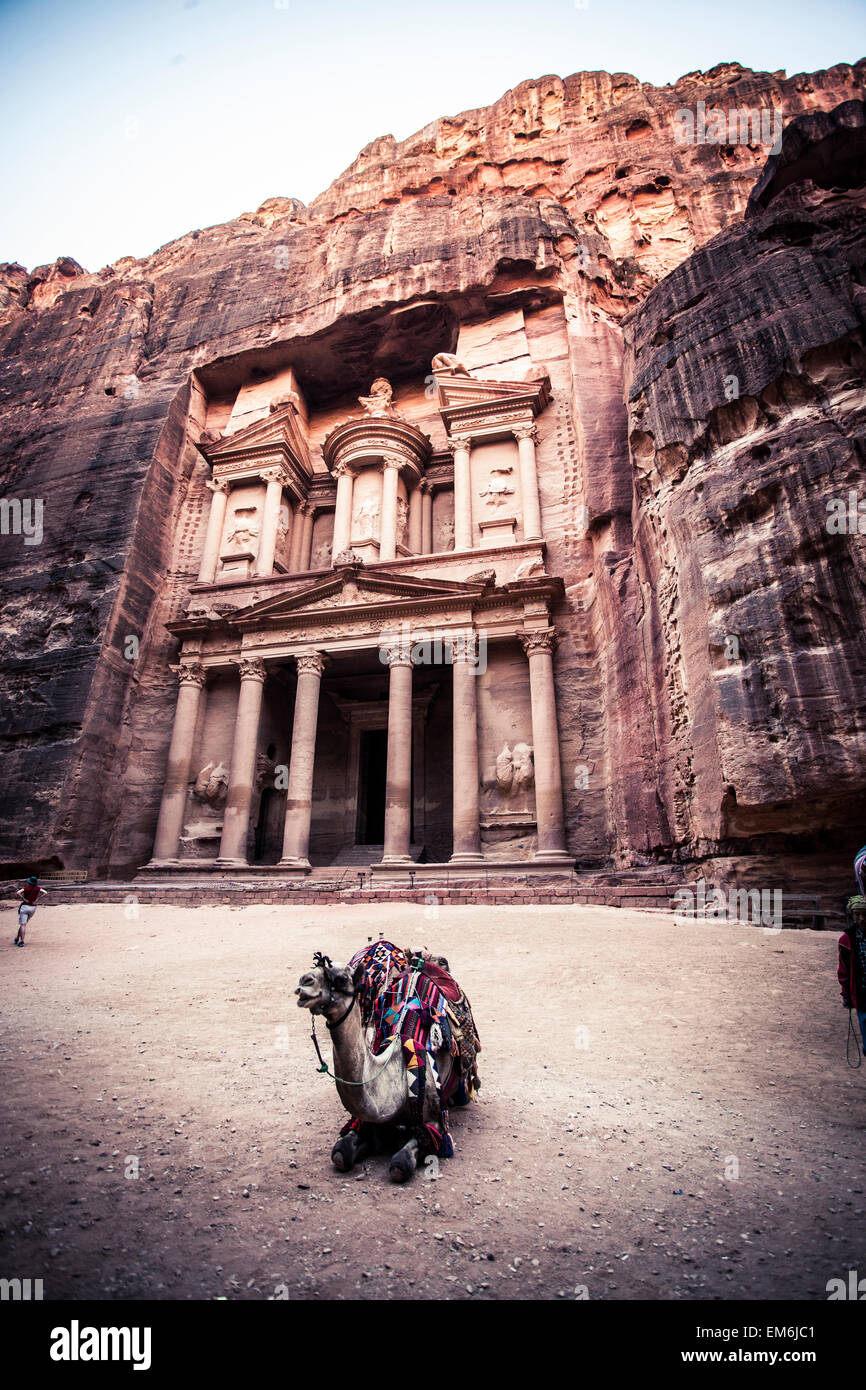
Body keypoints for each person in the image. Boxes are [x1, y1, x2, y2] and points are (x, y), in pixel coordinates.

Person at [838, 896, 866, 1054]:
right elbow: (844, 970)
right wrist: (846, 994)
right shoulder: (846, 940)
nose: (861, 919)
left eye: (865, 914)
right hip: (862, 994)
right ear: (852, 915)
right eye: (857, 914)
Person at [14, 876, 47, 946]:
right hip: (33, 908)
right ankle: (17, 938)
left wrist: (23, 899)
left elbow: (18, 892)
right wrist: (38, 899)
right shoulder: (37, 888)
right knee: (24, 924)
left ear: (29, 882)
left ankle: (22, 941)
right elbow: (45, 892)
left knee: (23, 924)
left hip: (25, 906)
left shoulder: (26, 888)